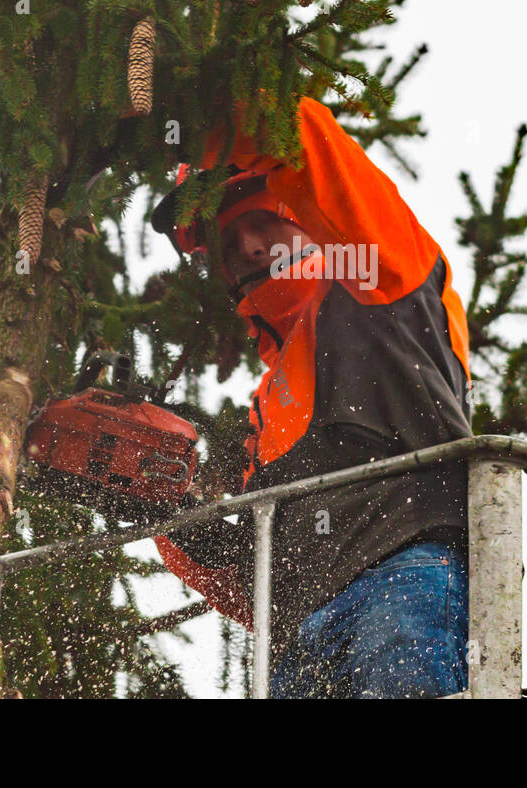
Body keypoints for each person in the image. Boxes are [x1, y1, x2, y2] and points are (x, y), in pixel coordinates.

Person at [149, 96, 473, 698]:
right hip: (297, 638)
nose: (247, 246)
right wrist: (165, 518)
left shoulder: (380, 278)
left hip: (406, 575)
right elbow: (255, 578)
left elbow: (306, 144)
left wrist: (204, 101)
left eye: (261, 218)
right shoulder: (269, 404)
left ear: (306, 212)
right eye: (228, 240)